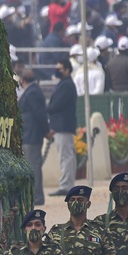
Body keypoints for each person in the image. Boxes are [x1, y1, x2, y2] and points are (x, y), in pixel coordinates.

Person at [46, 58, 77, 197]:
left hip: (64, 125)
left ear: (67, 70)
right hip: (61, 125)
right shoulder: (63, 83)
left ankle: (66, 185)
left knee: (66, 156)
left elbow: (57, 105)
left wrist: (46, 108)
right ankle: (67, 183)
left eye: (60, 69)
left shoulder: (67, 85)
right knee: (65, 156)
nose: (57, 71)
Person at [18, 67, 48, 206]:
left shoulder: (33, 93)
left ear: (22, 80)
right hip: (29, 134)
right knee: (32, 165)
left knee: (33, 166)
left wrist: (45, 131)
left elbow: (39, 115)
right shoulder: (32, 91)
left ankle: (37, 197)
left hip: (32, 135)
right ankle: (33, 196)